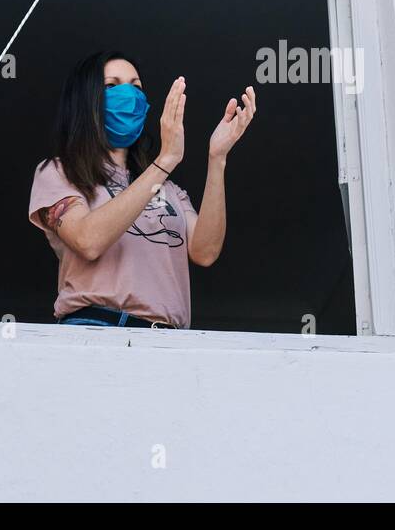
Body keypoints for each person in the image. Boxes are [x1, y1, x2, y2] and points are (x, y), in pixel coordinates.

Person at [28, 49, 255, 329]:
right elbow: (88, 241)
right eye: (112, 85)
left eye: (136, 87)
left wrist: (217, 158)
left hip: (166, 339)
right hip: (95, 326)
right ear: (85, 101)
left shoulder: (167, 187)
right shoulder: (59, 171)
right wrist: (166, 160)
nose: (129, 95)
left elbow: (204, 251)